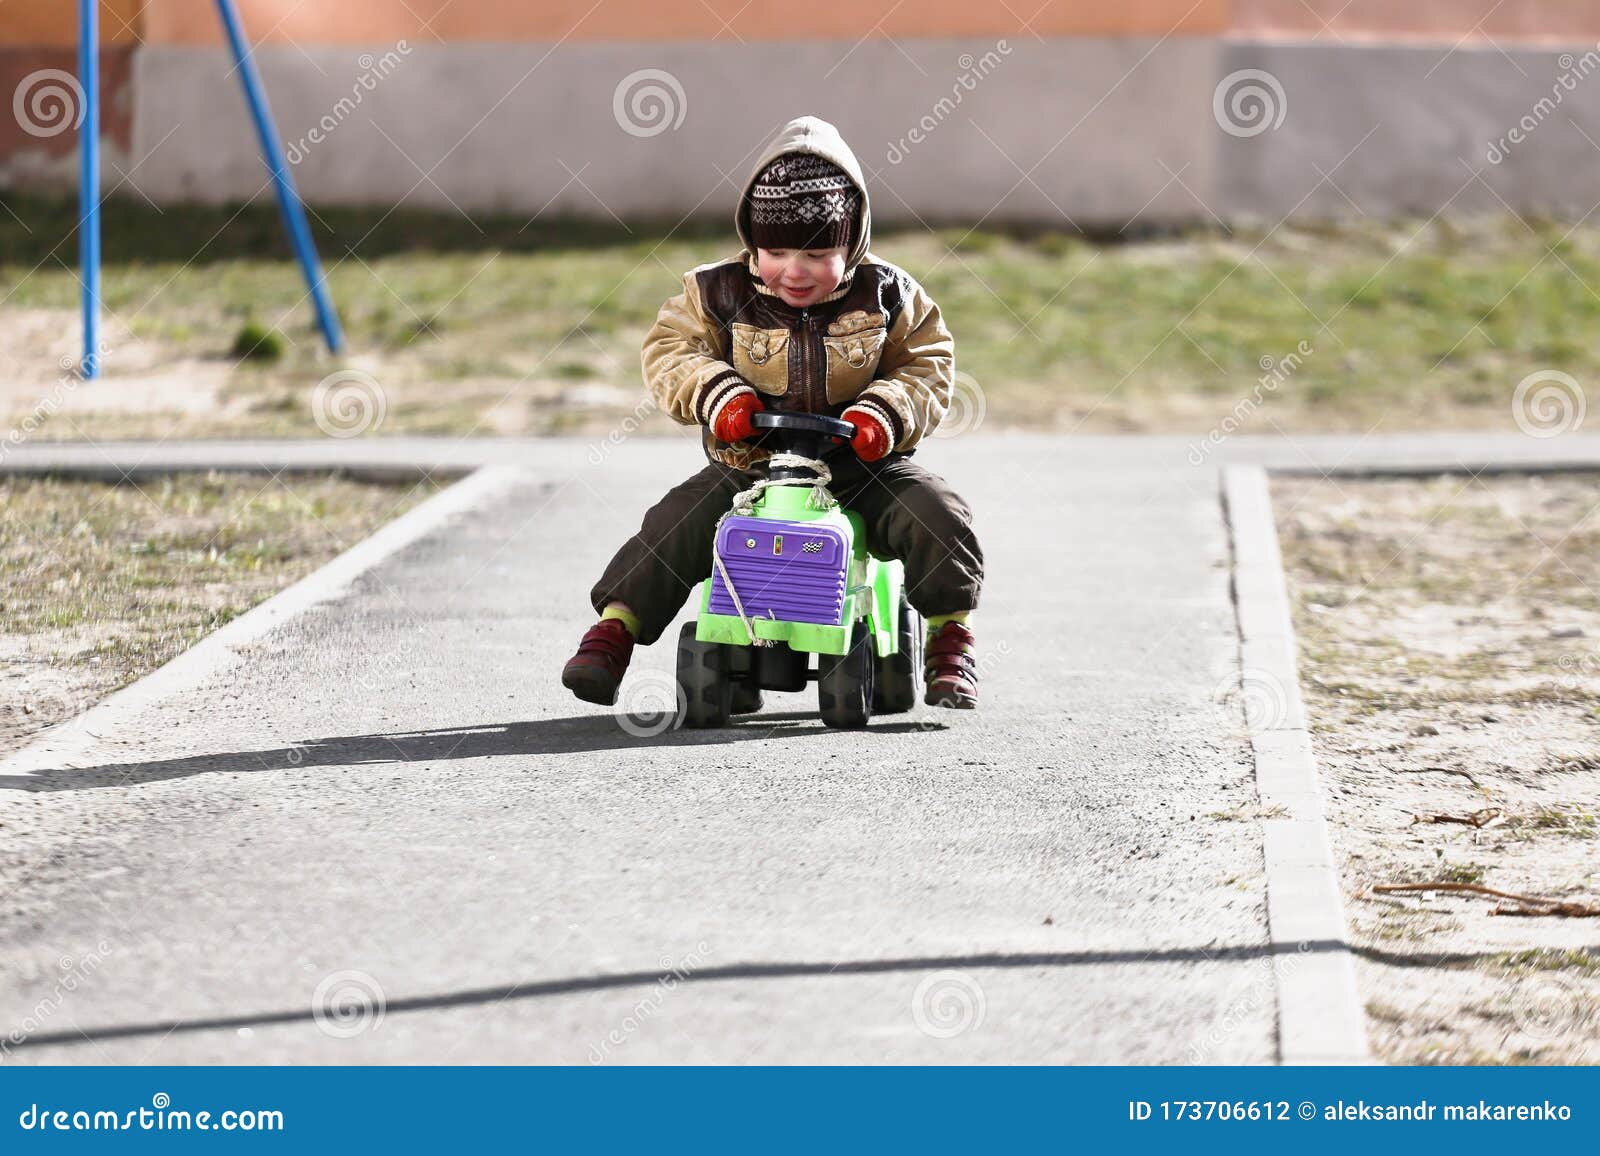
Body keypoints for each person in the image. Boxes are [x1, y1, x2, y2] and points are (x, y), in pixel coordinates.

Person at [562, 115, 984, 711]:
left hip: (861, 469)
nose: (794, 269)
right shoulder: (716, 293)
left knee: (937, 512)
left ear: (853, 240)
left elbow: (927, 365)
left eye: (817, 252)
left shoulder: (888, 293)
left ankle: (949, 635)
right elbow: (670, 351)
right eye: (776, 251)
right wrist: (720, 395)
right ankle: (614, 631)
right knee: (673, 522)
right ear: (752, 244)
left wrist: (883, 414)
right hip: (751, 469)